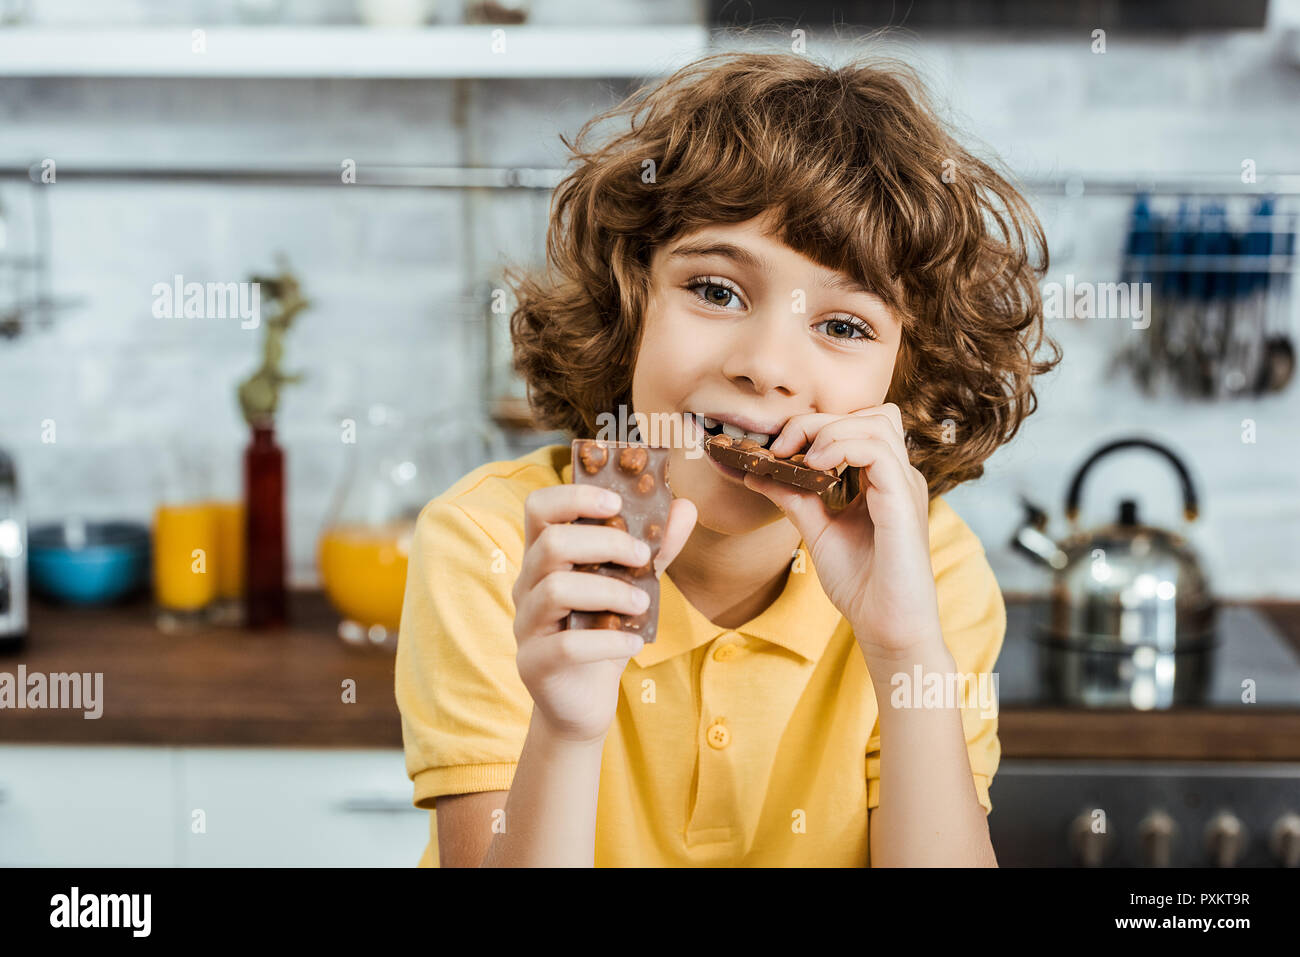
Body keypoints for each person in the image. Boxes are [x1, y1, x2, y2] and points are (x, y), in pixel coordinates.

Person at [395, 49, 1061, 867]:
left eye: (844, 325)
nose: (767, 364)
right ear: (630, 303)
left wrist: (904, 652)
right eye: (716, 290)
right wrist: (565, 730)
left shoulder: (932, 572)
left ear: (903, 382)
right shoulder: (498, 545)